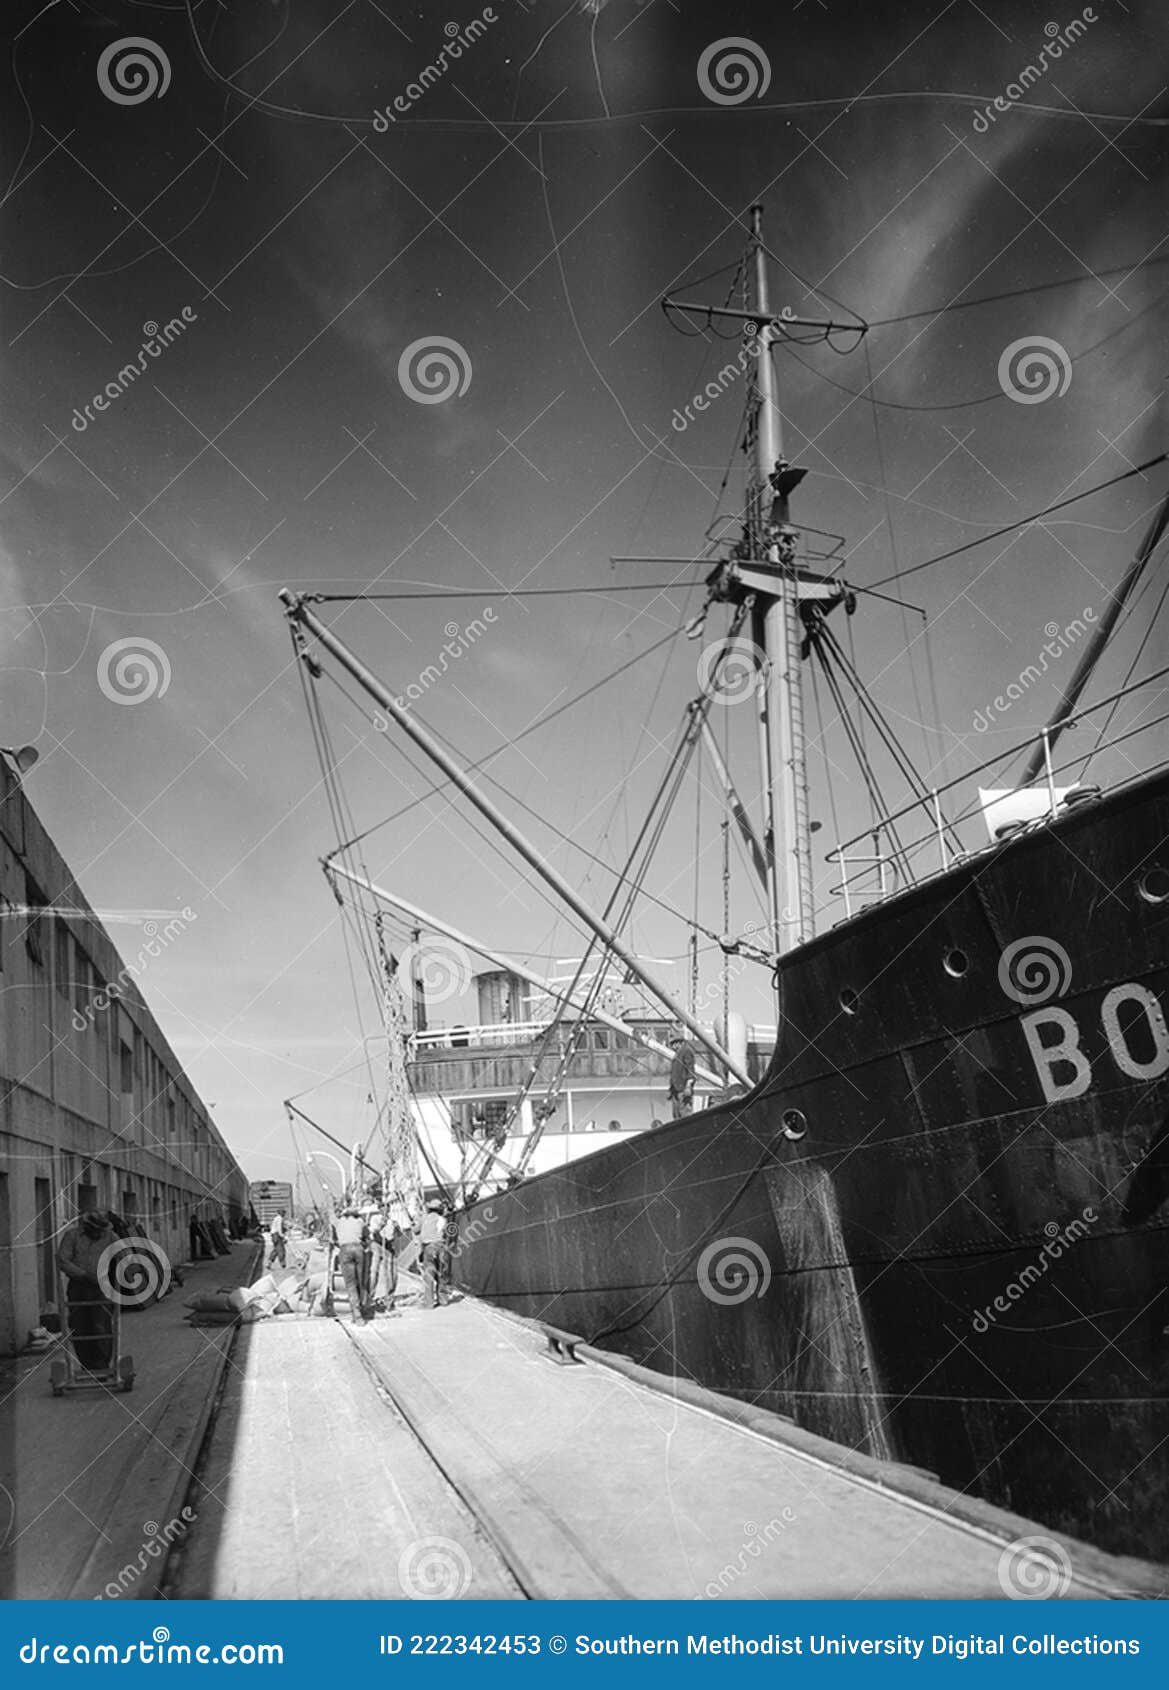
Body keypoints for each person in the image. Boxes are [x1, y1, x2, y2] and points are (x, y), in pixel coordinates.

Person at [57, 1209, 118, 1373]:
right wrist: (84, 1275)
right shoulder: (72, 1236)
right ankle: (87, 1366)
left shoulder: (110, 1236)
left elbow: (124, 1254)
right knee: (79, 1326)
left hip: (102, 1287)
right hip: (78, 1286)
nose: (99, 1233)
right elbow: (63, 1260)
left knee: (101, 1326)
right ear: (87, 1226)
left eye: (102, 1230)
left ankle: (102, 1367)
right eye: (96, 1229)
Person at [332, 1206, 368, 1323]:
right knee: (360, 1280)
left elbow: (334, 1240)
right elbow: (366, 1237)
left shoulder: (338, 1222)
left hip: (345, 1249)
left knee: (351, 1284)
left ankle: (357, 1315)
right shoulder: (360, 1222)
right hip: (358, 1249)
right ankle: (362, 1307)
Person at [418, 1198, 451, 1309]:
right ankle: (443, 1300)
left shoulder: (424, 1218)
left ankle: (429, 1303)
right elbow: (445, 1233)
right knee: (442, 1273)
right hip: (441, 1247)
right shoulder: (443, 1219)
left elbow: (415, 1230)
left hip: (429, 1248)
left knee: (429, 1275)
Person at [667, 1030, 696, 1120]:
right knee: (676, 1115)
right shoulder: (677, 1054)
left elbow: (690, 1070)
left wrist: (688, 1086)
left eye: (673, 1043)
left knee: (685, 1115)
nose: (672, 1046)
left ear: (679, 1043)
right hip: (676, 1090)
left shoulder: (686, 1051)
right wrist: (671, 1089)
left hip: (683, 1089)